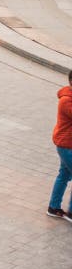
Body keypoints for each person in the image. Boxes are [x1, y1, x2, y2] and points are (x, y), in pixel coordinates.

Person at [47, 70, 72, 223]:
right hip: (67, 145)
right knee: (64, 175)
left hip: (67, 145)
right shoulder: (66, 101)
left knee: (63, 175)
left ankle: (53, 207)